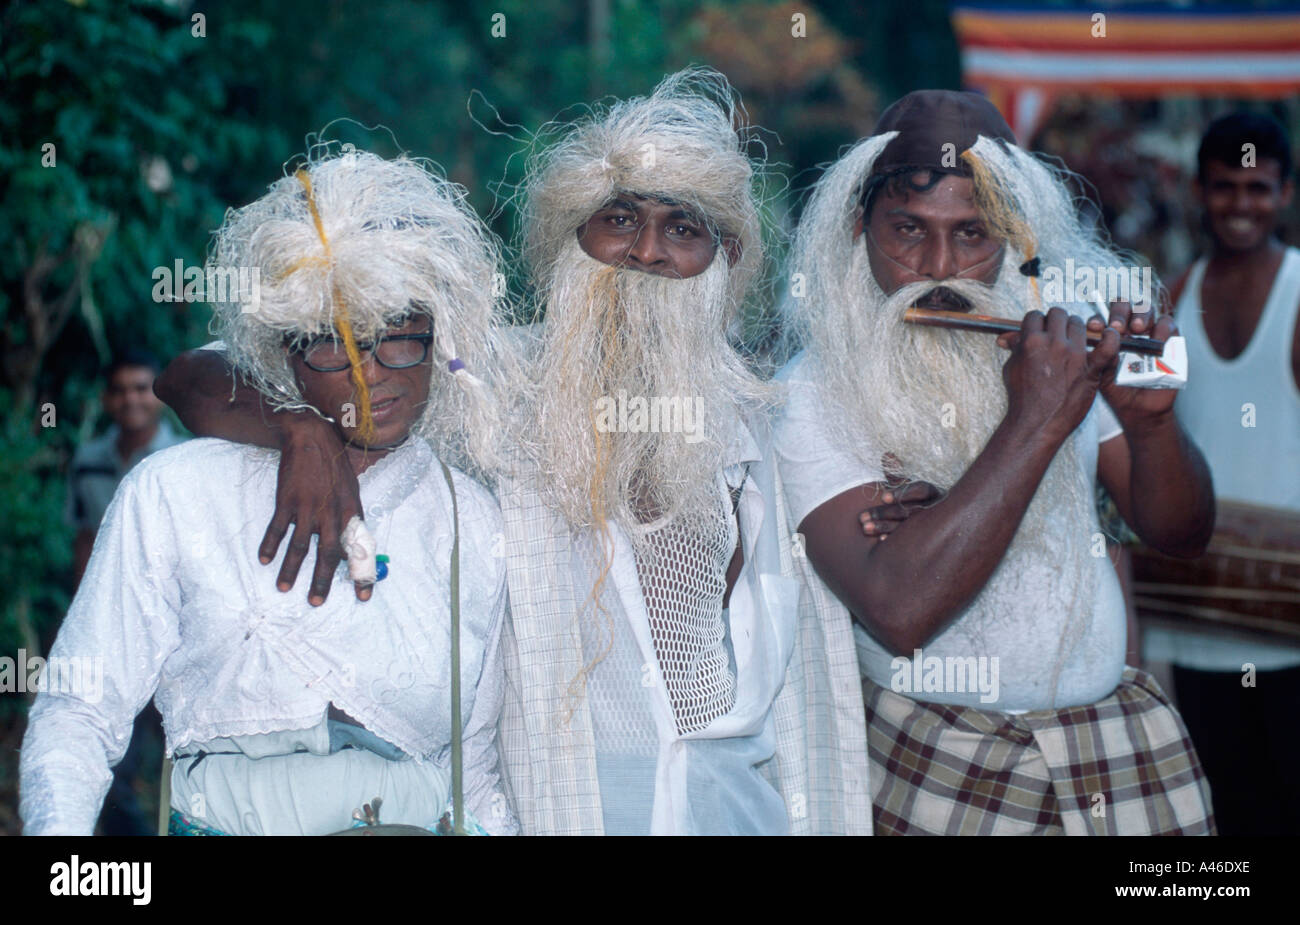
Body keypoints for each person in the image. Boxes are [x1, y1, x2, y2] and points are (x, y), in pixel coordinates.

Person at [155, 70, 873, 835]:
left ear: (724, 256)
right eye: (620, 219)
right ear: (570, 240)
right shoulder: (487, 384)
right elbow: (192, 377)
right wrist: (299, 429)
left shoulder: (762, 426)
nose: (647, 252)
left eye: (683, 229)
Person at [21, 150, 516, 836]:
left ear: (439, 334)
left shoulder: (472, 521)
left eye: (400, 333)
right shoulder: (178, 491)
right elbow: (78, 710)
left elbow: (479, 769)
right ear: (284, 355)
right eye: (336, 346)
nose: (372, 373)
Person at [775, 89, 1217, 835]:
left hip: (1115, 741)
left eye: (973, 234)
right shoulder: (810, 393)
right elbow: (900, 610)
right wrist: (1037, 420)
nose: (939, 266)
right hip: (932, 756)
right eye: (908, 231)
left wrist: (1151, 427)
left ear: (1013, 240)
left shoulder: (1061, 347)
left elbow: (1181, 534)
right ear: (858, 231)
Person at [1141, 112, 1300, 835]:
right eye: (1225, 188)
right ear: (1198, 192)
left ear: (1286, 193)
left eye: (1258, 188)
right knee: (1223, 819)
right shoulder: (1170, 299)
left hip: (1289, 611)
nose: (1242, 205)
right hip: (1196, 617)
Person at [68, 348, 184, 586]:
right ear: (105, 399)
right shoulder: (87, 461)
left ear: (161, 395)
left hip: (169, 590)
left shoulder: (183, 460)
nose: (130, 399)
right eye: (119, 391)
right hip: (106, 591)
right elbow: (85, 537)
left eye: (141, 389)